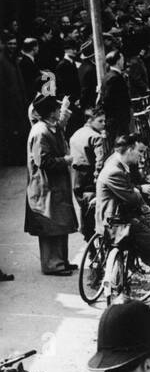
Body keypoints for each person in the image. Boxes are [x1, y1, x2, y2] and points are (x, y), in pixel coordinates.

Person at [96, 135, 150, 294]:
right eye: (140, 152)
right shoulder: (115, 170)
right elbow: (133, 197)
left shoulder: (118, 164)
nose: (142, 157)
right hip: (120, 225)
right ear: (129, 150)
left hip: (123, 219)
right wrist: (138, 191)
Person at [25, 93, 77, 275]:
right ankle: (53, 265)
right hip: (45, 187)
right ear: (51, 113)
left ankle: (61, 261)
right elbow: (43, 161)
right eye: (57, 109)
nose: (58, 111)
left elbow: (61, 126)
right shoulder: (41, 132)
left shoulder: (47, 127)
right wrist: (66, 160)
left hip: (53, 186)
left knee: (59, 223)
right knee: (51, 226)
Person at [69, 108, 108, 238]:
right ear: (90, 120)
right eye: (100, 121)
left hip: (76, 174)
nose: (103, 124)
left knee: (83, 205)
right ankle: (95, 234)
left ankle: (87, 236)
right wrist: (98, 174)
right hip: (89, 174)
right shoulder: (96, 137)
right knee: (93, 204)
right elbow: (100, 159)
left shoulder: (77, 133)